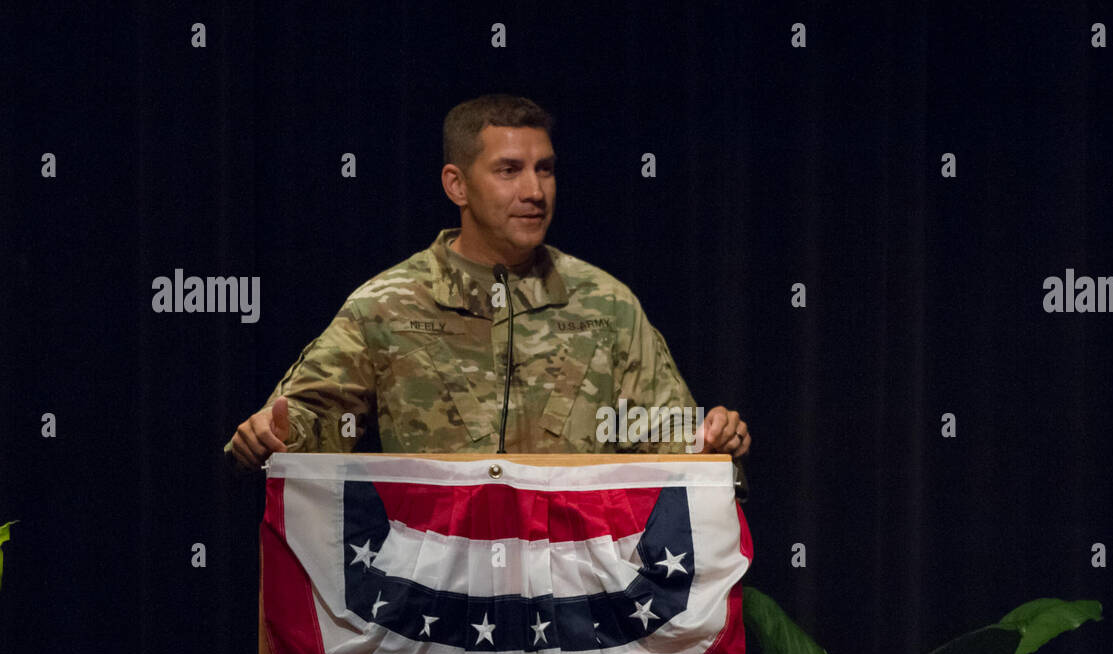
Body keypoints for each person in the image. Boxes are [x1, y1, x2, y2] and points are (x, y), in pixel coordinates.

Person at [225, 94, 750, 474]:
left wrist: (706, 443)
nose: (534, 190)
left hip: (575, 588)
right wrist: (276, 435)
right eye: (508, 170)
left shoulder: (607, 305)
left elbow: (663, 441)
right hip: (433, 594)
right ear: (457, 184)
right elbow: (310, 420)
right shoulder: (387, 305)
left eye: (544, 170)